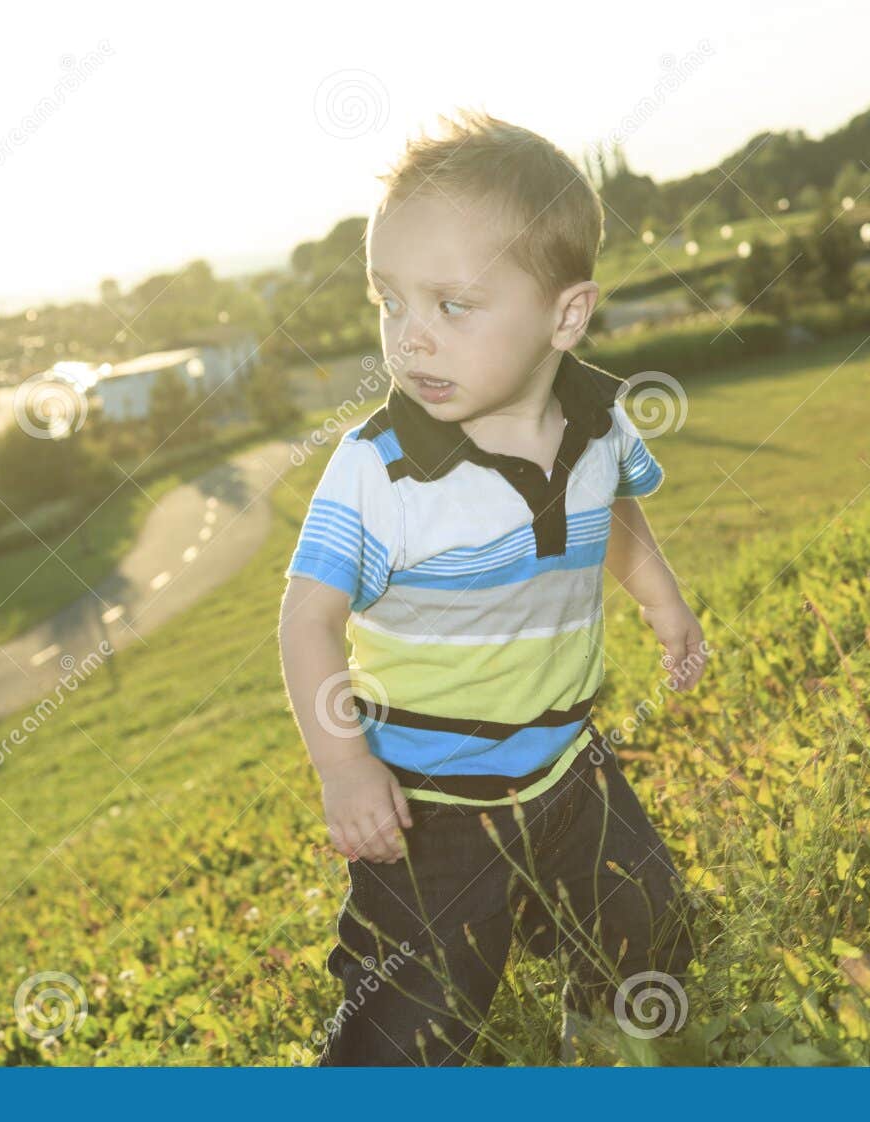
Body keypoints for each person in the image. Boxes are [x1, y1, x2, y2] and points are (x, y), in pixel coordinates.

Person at [278, 109, 708, 1066]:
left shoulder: (598, 422)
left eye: (451, 306)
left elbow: (611, 516)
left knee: (648, 933)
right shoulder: (377, 468)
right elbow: (307, 618)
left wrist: (662, 603)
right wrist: (346, 767)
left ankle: (607, 1053)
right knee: (409, 1022)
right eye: (389, 301)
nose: (410, 338)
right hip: (430, 805)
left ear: (566, 314)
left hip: (568, 762)